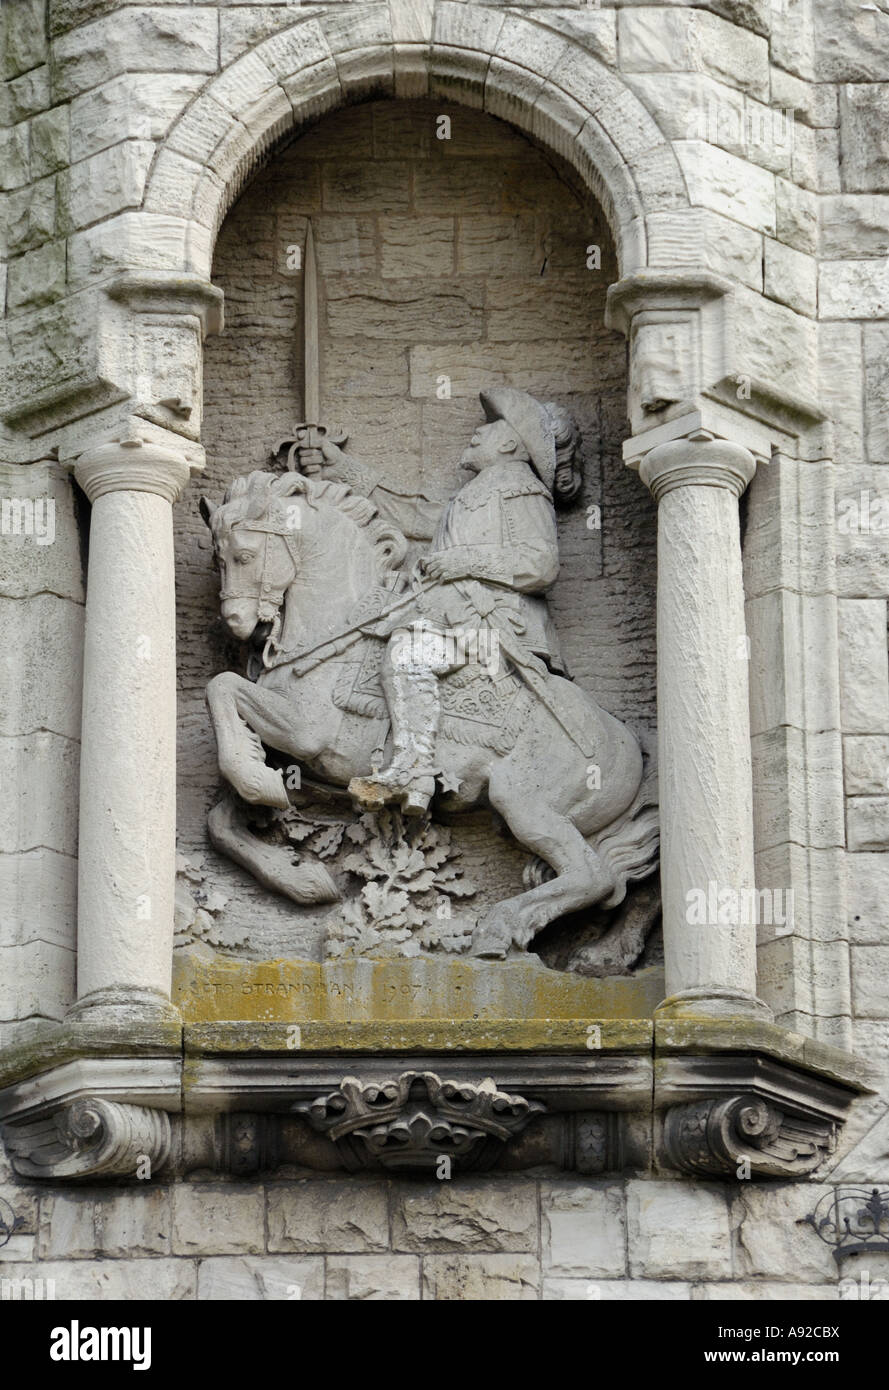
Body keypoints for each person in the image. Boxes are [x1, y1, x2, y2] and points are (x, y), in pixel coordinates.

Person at [327, 388, 583, 813]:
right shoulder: (479, 490)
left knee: (409, 653)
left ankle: (413, 770)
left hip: (497, 625)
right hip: (455, 617)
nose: (478, 433)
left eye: (490, 427)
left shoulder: (522, 489)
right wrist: (344, 470)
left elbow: (542, 564)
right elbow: (414, 517)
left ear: (508, 443)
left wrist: (463, 561)